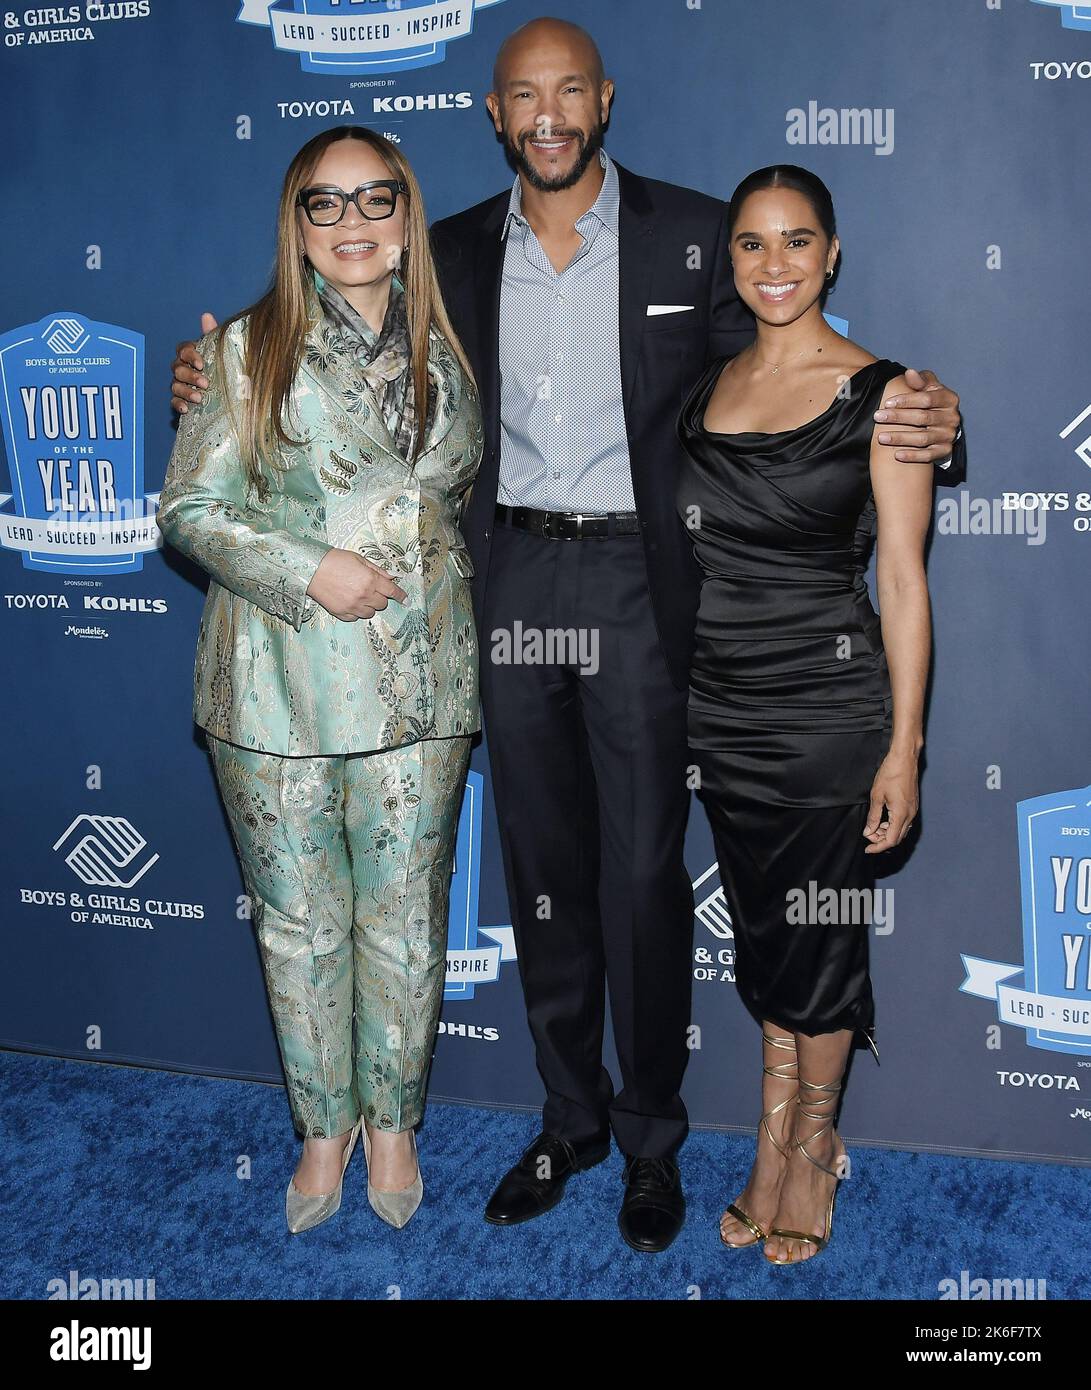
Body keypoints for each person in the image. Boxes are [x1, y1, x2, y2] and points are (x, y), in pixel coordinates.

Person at [169, 18, 964, 1253]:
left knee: (642, 874)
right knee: (541, 869)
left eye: (567, 92)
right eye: (520, 96)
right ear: (493, 116)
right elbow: (320, 350)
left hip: (644, 592)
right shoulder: (440, 255)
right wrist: (209, 375)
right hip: (506, 581)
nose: (545, 114)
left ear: (604, 100)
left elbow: (782, 362)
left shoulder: (695, 235)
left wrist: (910, 399)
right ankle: (569, 1119)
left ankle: (651, 1139)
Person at [157, 125, 482, 1235]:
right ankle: (321, 1130)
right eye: (324, 204)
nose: (352, 223)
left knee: (404, 920)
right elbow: (188, 510)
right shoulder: (245, 347)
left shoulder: (451, 338)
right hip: (276, 682)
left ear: (406, 213)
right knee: (299, 923)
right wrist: (312, 568)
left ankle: (393, 1125)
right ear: (294, 226)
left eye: (374, 199)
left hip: (423, 684)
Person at [676, 164, 934, 1264]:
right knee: (767, 925)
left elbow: (906, 584)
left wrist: (904, 746)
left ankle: (813, 1143)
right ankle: (772, 1124)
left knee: (819, 934)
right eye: (749, 244)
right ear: (727, 261)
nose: (771, 264)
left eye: (795, 242)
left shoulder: (887, 395)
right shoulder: (704, 383)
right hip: (715, 710)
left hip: (827, 710)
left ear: (831, 255)